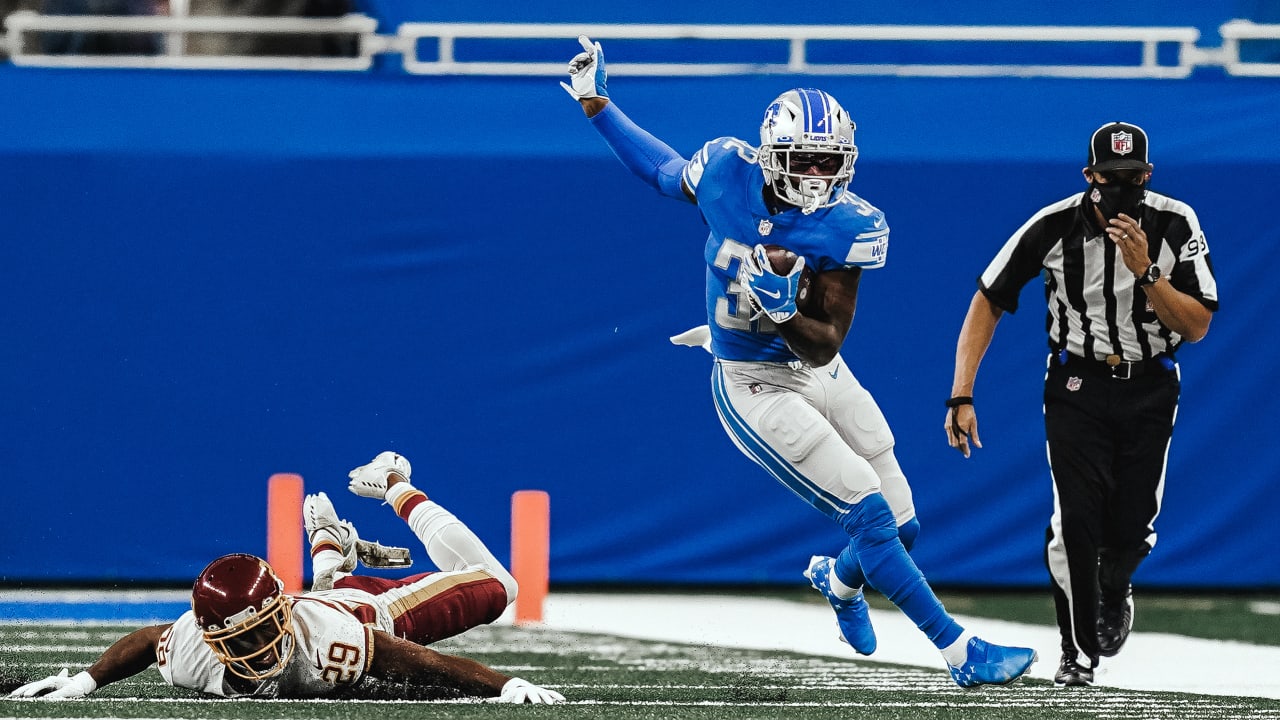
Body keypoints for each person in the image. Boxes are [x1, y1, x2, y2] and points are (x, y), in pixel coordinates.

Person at [560, 35, 1036, 688]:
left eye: (827, 160)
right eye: (803, 158)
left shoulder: (853, 224)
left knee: (903, 525)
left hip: (816, 366)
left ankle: (839, 583)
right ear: (771, 153)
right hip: (753, 382)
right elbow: (665, 172)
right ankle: (961, 654)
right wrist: (598, 106)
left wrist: (786, 309)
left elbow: (825, 340)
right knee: (869, 517)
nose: (815, 173)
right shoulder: (727, 169)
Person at [944, 122, 1218, 687]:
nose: (1121, 190)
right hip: (1077, 386)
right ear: (1089, 176)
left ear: (1148, 176)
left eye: (1132, 179)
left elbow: (1196, 326)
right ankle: (1078, 653)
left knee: (1133, 524)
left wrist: (1146, 270)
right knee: (1075, 523)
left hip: (1150, 384)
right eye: (1110, 179)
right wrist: (962, 391)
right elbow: (989, 298)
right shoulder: (1052, 225)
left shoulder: (1174, 222)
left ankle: (1116, 580)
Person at [8, 451, 564, 703]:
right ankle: (329, 554)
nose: (259, 646)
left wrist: (505, 685)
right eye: (239, 638)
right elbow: (148, 640)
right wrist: (85, 680)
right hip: (321, 605)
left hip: (377, 614)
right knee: (321, 601)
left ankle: (393, 481)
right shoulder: (192, 653)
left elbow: (420, 661)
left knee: (500, 586)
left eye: (263, 627)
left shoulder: (333, 642)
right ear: (210, 638)